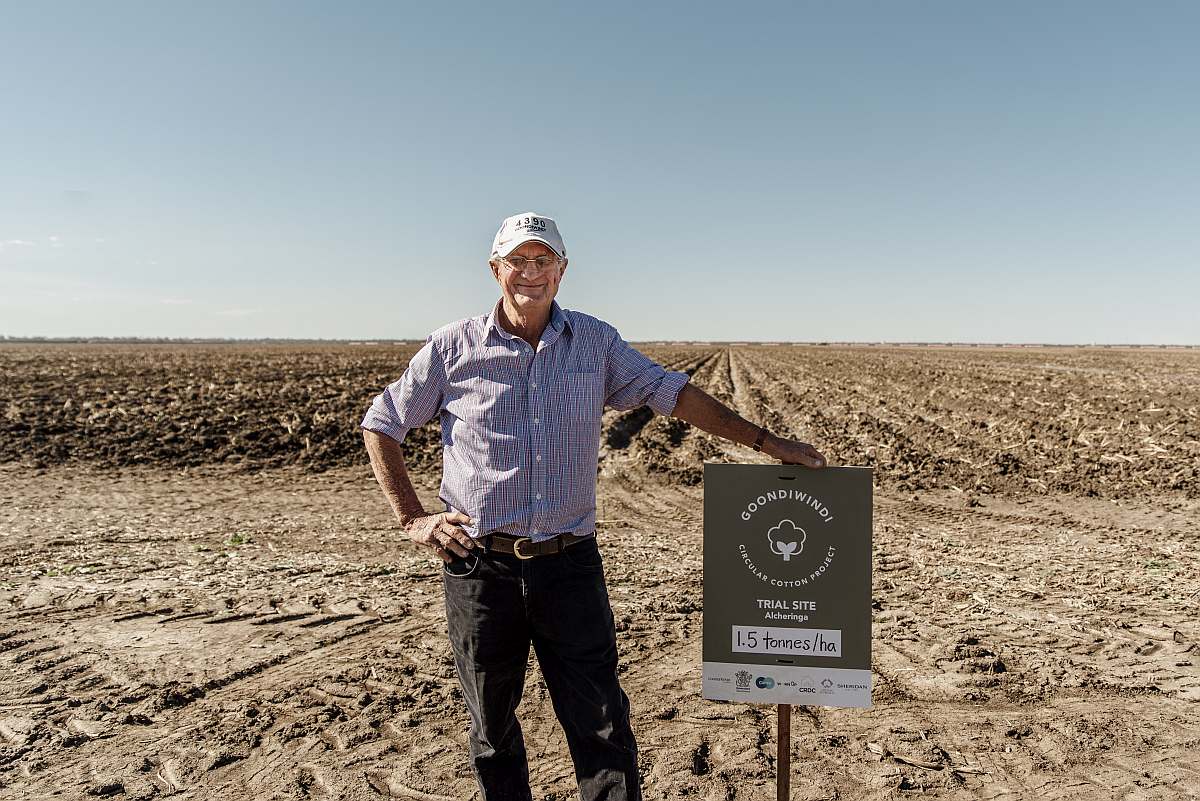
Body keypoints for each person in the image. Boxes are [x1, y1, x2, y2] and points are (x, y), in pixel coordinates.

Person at [360, 212, 826, 801]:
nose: (530, 274)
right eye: (518, 262)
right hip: (480, 567)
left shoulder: (594, 343)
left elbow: (671, 392)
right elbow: (383, 423)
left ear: (561, 270)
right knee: (491, 728)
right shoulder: (453, 347)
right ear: (494, 270)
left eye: (543, 261)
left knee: (601, 724)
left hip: (569, 564)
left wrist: (767, 442)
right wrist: (413, 518)